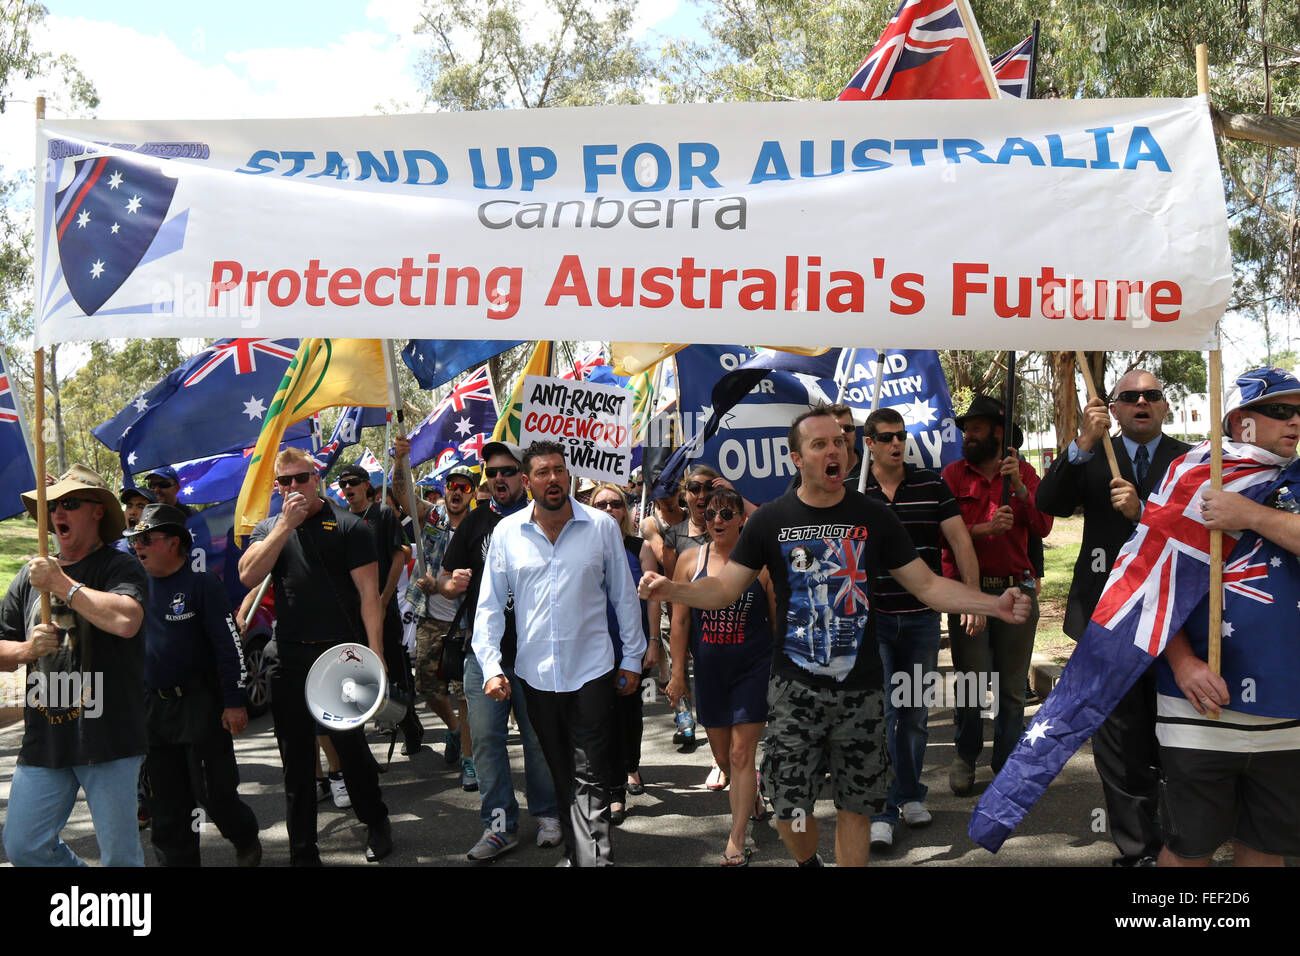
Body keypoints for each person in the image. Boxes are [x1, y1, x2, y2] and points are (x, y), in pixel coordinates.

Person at [640, 406, 1030, 867]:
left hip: (861, 691)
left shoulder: (874, 516)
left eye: (840, 443)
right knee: (793, 809)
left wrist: (992, 604)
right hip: (793, 690)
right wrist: (673, 589)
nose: (834, 451)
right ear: (796, 458)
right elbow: (724, 588)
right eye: (820, 444)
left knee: (856, 806)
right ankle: (809, 863)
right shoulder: (770, 521)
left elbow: (926, 585)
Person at [1036, 369, 1189, 867]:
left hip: (1173, 619)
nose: (1141, 402)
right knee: (1119, 740)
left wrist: (1145, 513)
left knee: (1174, 734)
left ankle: (1182, 842)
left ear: (1165, 406)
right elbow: (1048, 503)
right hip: (1105, 617)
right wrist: (1081, 441)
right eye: (1130, 397)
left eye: (1151, 395)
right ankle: (1137, 849)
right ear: (1115, 409)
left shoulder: (1189, 461)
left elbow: (1206, 532)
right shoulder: (1095, 454)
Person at [473, 441, 646, 867]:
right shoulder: (507, 534)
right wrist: (491, 666)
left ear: (568, 476)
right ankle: (577, 849)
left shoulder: (602, 528)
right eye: (543, 472)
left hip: (592, 672)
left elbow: (625, 598)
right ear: (527, 481)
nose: (553, 479)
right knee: (560, 770)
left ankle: (593, 859)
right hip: (536, 677)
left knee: (590, 772)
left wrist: (631, 659)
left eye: (559, 470)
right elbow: (490, 607)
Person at [1157, 366, 1300, 867]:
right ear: (1239, 422)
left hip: (1288, 710)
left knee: (1266, 848)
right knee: (1188, 849)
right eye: (1281, 410)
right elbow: (1151, 586)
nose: (1296, 421)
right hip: (1198, 707)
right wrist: (1181, 664)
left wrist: (1250, 515)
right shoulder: (1190, 478)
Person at [238, 447, 392, 865]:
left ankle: (375, 819)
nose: (294, 488)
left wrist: (376, 659)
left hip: (340, 658)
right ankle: (302, 850)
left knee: (352, 750)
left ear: (317, 478)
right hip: (287, 658)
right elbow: (249, 574)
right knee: (296, 762)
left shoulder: (349, 527)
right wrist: (285, 525)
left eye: (301, 478)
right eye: (285, 481)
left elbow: (369, 598)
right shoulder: (271, 527)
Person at [0, 465, 148, 866]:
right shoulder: (27, 579)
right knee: (23, 846)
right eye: (53, 506)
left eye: (70, 503)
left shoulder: (120, 568)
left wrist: (63, 585)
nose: (58, 513)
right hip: (45, 738)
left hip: (110, 739)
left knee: (120, 856)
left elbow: (127, 620)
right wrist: (26, 651)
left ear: (97, 510)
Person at [860, 406, 982, 850]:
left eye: (901, 436)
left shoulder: (932, 484)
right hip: (872, 620)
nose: (897, 444)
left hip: (921, 619)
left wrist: (972, 596)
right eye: (887, 437)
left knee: (913, 715)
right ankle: (883, 810)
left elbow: (960, 540)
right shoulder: (855, 490)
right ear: (868, 443)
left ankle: (911, 793)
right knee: (885, 715)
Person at [439, 439, 560, 861]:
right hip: (484, 653)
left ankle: (548, 813)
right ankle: (498, 826)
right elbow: (443, 579)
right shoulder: (473, 523)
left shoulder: (541, 519)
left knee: (538, 738)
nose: (499, 479)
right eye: (492, 473)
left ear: (524, 478)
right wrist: (448, 584)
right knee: (487, 742)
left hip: (534, 653)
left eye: (508, 471)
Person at [126, 503, 261, 867]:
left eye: (145, 539)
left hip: (201, 706)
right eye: (134, 539)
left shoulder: (202, 584)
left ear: (173, 543)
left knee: (215, 797)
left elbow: (229, 647)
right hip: (154, 711)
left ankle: (245, 837)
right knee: (167, 806)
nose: (137, 546)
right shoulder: (132, 588)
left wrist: (235, 701)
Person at [940, 394, 1053, 796]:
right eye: (967, 428)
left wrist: (1021, 487)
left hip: (1016, 590)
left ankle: (1007, 762)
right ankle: (965, 757)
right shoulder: (953, 476)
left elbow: (1042, 526)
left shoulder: (1024, 472)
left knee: (1011, 687)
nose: (968, 434)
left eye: (976, 427)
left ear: (998, 432)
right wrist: (982, 530)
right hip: (969, 593)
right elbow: (940, 534)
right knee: (971, 683)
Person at [666, 485, 776, 866]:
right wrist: (678, 675)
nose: (716, 520)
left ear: (743, 518)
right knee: (723, 758)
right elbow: (679, 623)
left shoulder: (762, 565)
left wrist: (781, 672)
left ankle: (737, 836)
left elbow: (776, 624)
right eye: (710, 513)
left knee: (742, 752)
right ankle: (753, 796)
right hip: (710, 673)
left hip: (753, 669)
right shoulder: (688, 561)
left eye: (727, 513)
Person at [390, 445, 476, 788]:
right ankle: (453, 731)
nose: (457, 491)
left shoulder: (479, 526)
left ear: (471, 495)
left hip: (465, 623)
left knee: (465, 695)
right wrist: (399, 458)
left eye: (465, 487)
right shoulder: (435, 517)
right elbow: (400, 493)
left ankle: (470, 760)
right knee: (427, 689)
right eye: (452, 485)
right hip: (429, 618)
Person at [336, 462, 422, 757]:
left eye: (353, 482)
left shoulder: (383, 514)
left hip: (385, 610)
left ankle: (411, 728)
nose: (348, 488)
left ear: (365, 485)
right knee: (358, 677)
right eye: (343, 483)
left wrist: (384, 601)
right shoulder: (341, 520)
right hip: (353, 617)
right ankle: (362, 749)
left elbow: (399, 557)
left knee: (396, 673)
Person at [590, 482, 660, 822]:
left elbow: (652, 598)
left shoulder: (640, 547)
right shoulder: (582, 547)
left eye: (614, 503)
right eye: (600, 504)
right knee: (602, 719)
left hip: (630, 647)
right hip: (591, 649)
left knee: (628, 715)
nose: (607, 510)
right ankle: (613, 789)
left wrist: (653, 643)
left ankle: (630, 765)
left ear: (625, 510)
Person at [114, 485, 156, 554]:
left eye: (140, 507)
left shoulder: (161, 551)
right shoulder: (114, 549)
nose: (132, 512)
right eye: (129, 506)